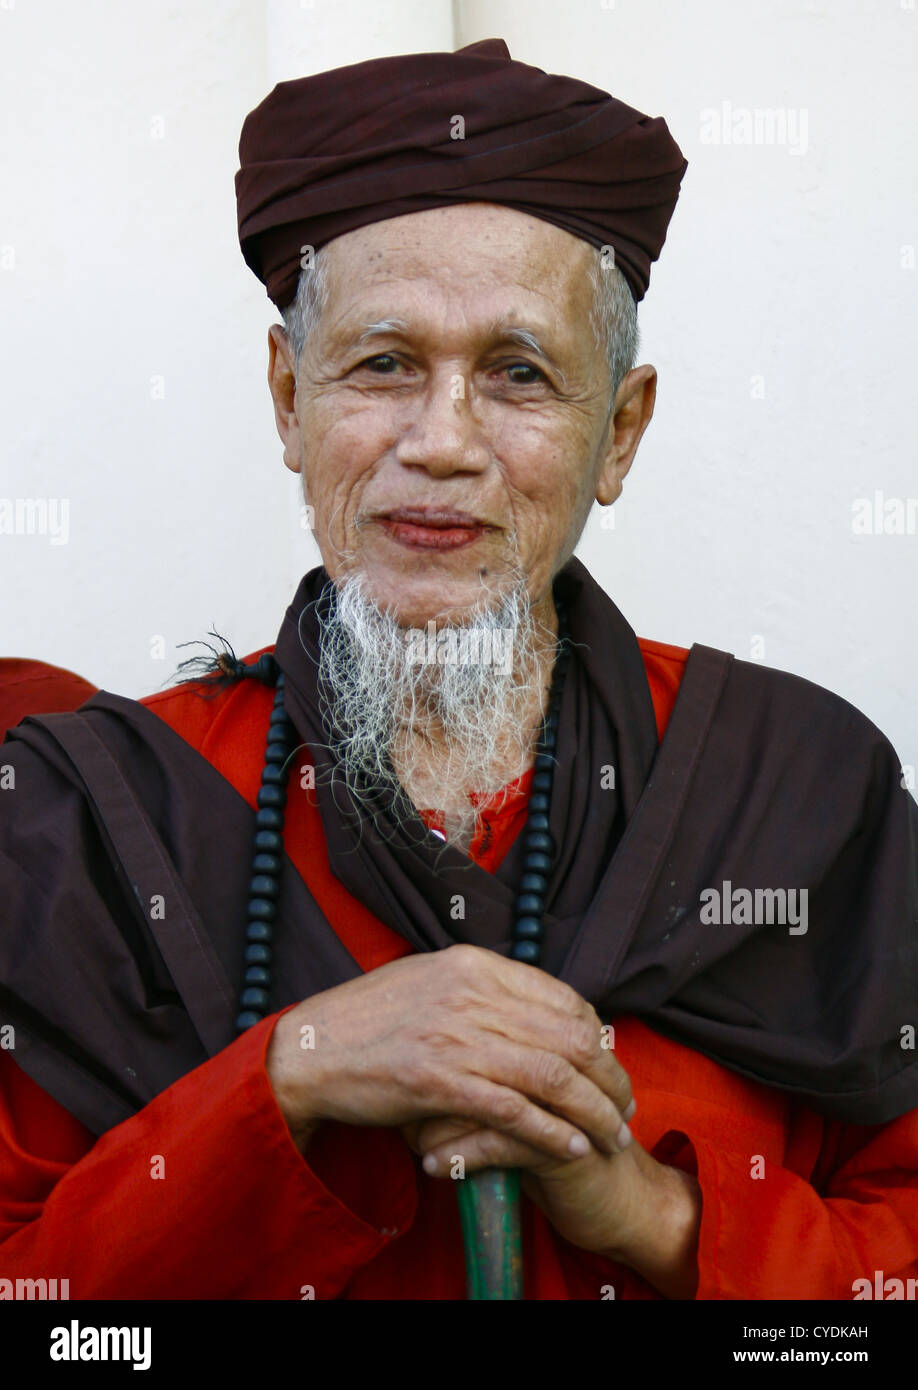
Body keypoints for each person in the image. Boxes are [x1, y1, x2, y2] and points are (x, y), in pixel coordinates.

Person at [1, 38, 917, 1303]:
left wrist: (649, 1211)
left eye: (519, 374)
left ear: (622, 429)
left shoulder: (799, 794)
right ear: (287, 401)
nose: (442, 444)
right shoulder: (94, 819)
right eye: (383, 365)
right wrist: (289, 1077)